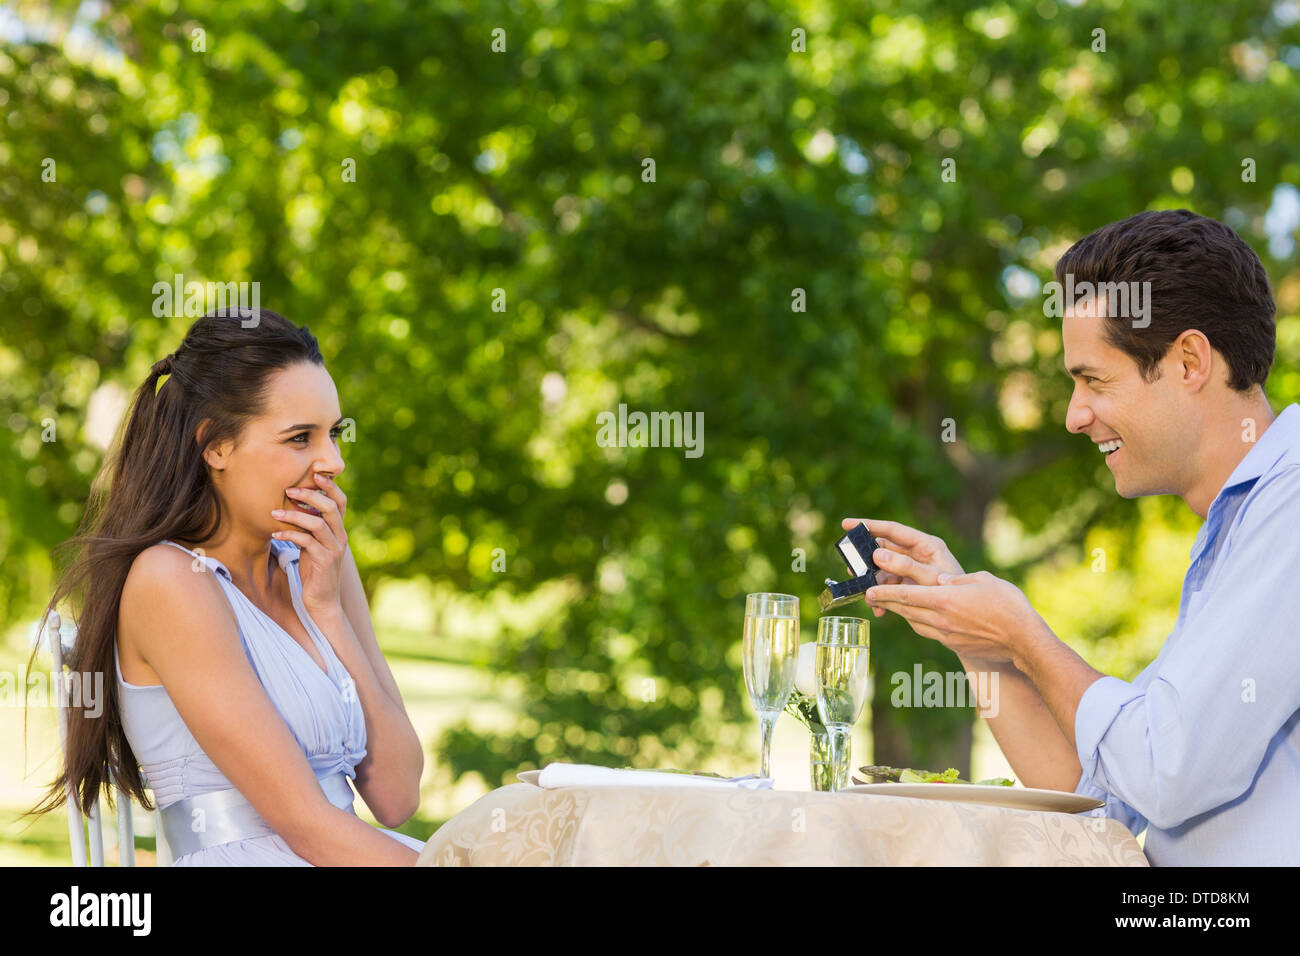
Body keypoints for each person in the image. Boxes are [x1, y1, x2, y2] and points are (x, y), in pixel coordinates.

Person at [850, 209, 1299, 866]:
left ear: (1189, 361)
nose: (1074, 415)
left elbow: (1164, 771)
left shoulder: (1289, 509)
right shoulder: (1236, 531)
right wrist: (975, 637)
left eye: (1093, 379)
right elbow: (1096, 797)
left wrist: (1027, 639)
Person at [24, 308, 426, 865]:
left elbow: (398, 795)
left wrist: (327, 611)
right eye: (299, 438)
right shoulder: (170, 581)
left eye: (332, 434)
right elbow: (307, 827)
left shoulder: (319, 561)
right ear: (216, 446)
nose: (331, 461)